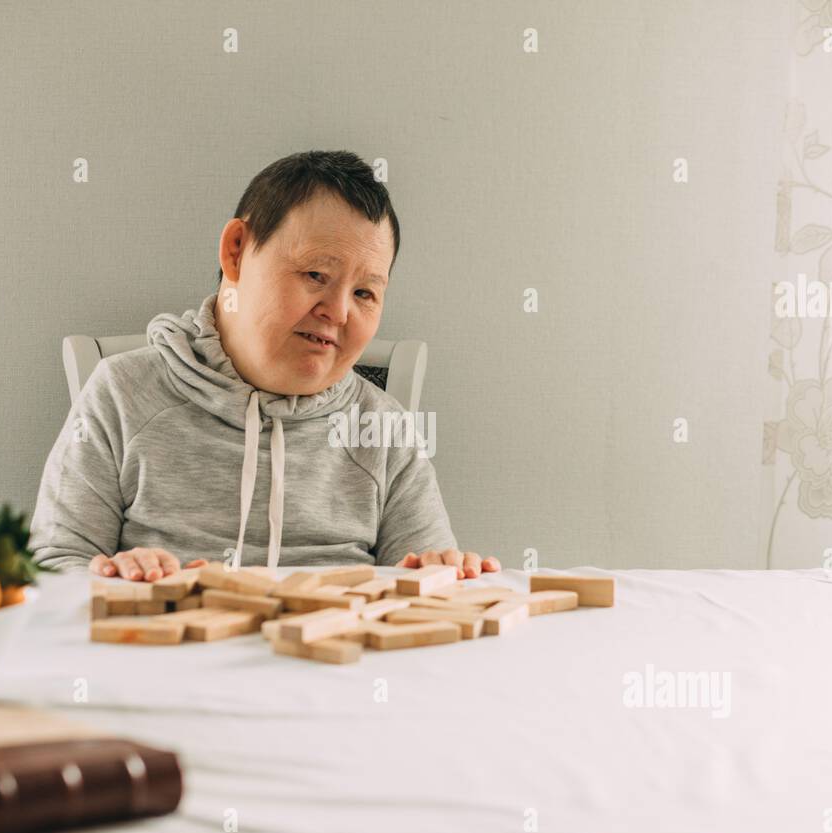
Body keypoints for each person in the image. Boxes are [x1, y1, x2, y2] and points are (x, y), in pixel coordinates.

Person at [30, 150, 500, 582]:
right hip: (172, 660)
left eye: (364, 293)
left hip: (335, 664)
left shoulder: (386, 431)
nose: (337, 312)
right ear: (236, 251)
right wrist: (110, 579)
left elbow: (426, 588)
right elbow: (53, 567)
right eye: (315, 274)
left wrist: (446, 573)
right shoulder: (122, 393)